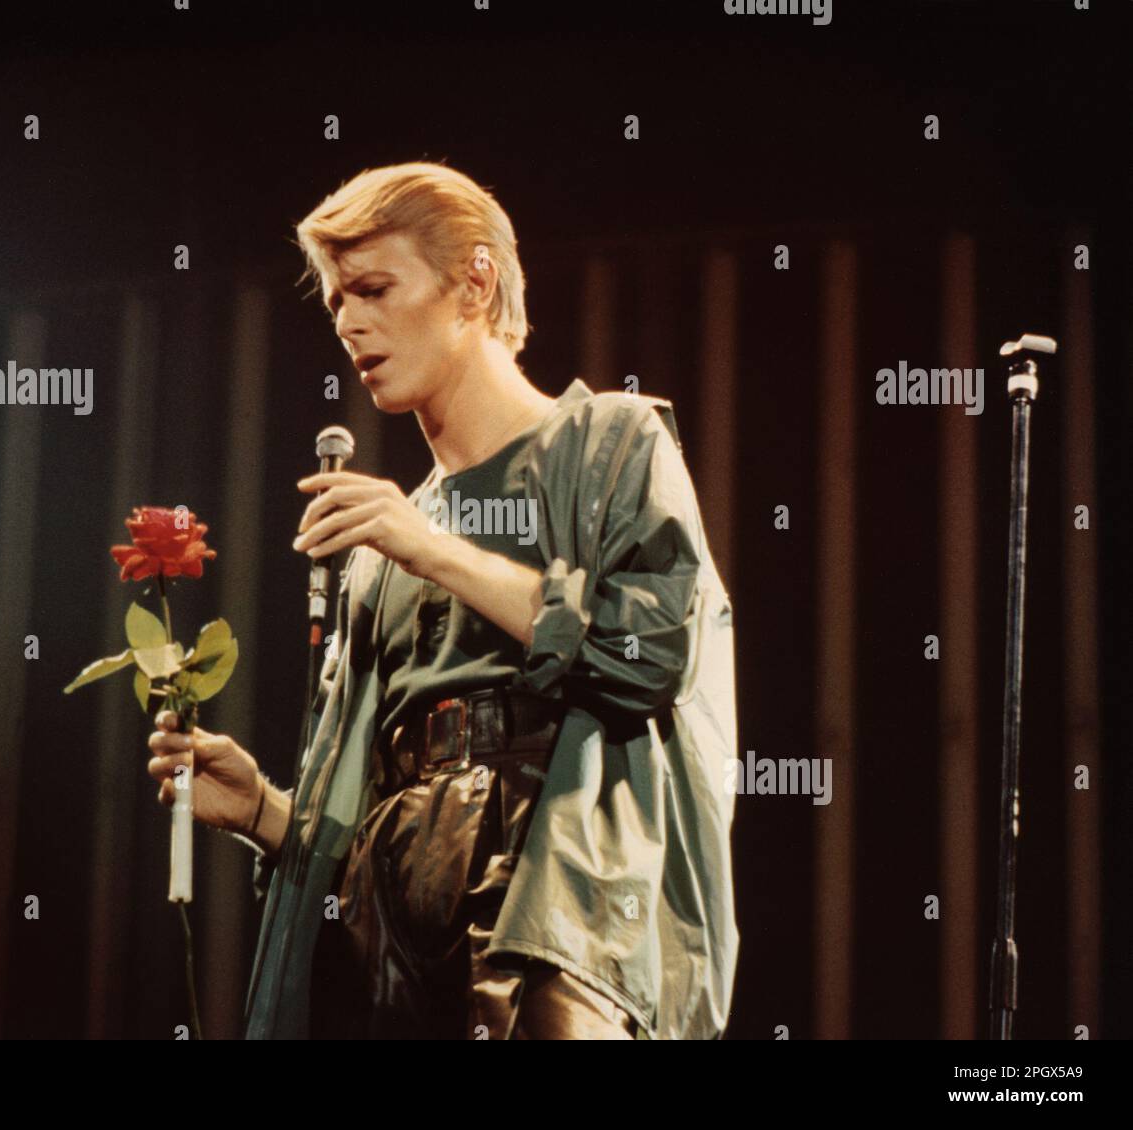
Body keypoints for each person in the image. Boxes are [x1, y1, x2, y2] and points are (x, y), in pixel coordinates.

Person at [146, 161, 739, 1039]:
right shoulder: (383, 548)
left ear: (473, 282)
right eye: (338, 300)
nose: (348, 322)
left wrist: (434, 549)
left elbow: (646, 656)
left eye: (375, 289)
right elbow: (384, 809)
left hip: (562, 933)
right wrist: (270, 816)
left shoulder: (611, 444)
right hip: (398, 966)